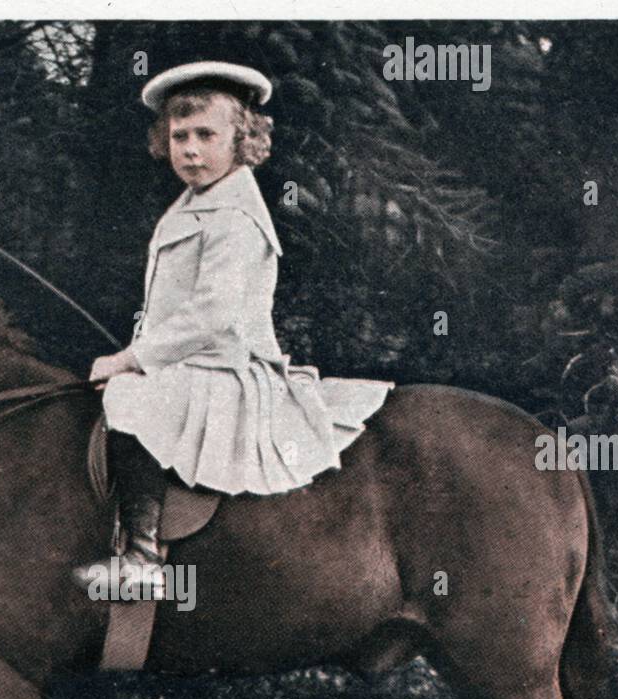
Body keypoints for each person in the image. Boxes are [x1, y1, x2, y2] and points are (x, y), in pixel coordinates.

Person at [71, 60, 387, 601]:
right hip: (193, 361)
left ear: (242, 141)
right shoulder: (195, 204)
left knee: (128, 399)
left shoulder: (236, 216)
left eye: (206, 136)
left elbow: (211, 313)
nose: (191, 150)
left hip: (227, 368)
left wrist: (130, 359)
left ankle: (143, 558)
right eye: (179, 137)